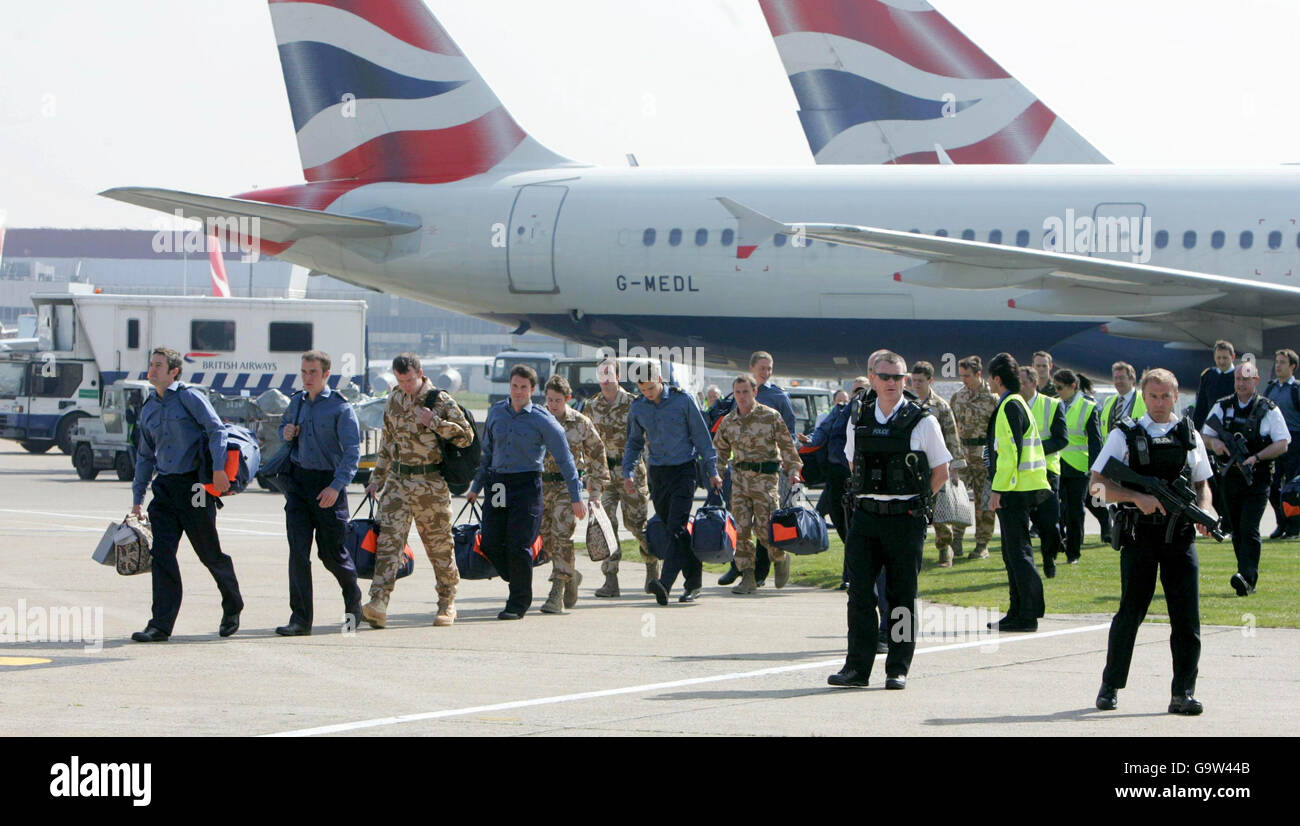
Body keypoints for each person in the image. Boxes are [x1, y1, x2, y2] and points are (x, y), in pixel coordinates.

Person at [1091, 368, 1212, 715]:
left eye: (1166, 396)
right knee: (1131, 612)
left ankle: (1183, 692)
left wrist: (1205, 510)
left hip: (1181, 537)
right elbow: (1096, 488)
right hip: (1140, 535)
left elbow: (1203, 483)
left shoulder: (1190, 434)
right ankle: (1110, 685)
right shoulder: (1125, 433)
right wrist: (1134, 497)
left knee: (1187, 617)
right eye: (1153, 396)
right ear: (1144, 397)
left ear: (1177, 396)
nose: (1160, 403)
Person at [829, 351, 950, 689]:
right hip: (866, 518)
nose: (893, 383)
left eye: (899, 378)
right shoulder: (860, 416)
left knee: (902, 596)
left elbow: (941, 471)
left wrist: (917, 500)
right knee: (860, 596)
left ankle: (897, 668)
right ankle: (857, 668)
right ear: (873, 376)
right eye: (886, 377)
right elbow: (853, 463)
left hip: (904, 519)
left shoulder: (923, 420)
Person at [128, 347, 242, 642]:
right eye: (151, 364)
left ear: (174, 371)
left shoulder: (190, 397)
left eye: (158, 365)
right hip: (165, 488)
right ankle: (160, 625)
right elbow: (144, 455)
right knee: (162, 555)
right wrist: (138, 499)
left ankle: (232, 604)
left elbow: (217, 430)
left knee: (208, 553)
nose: (151, 370)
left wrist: (219, 469)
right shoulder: (149, 407)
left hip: (195, 487)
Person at [362, 353, 475, 628]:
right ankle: (378, 602)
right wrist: (377, 479)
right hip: (399, 482)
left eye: (410, 380)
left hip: (430, 484)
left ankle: (447, 602)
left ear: (420, 374)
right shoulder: (394, 400)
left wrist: (435, 422)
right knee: (389, 544)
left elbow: (466, 435)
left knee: (439, 547)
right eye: (401, 381)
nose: (406, 385)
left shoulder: (439, 400)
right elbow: (389, 444)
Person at [468, 365, 584, 620]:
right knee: (489, 541)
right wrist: (476, 487)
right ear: (509, 387)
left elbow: (565, 459)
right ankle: (520, 577)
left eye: (524, 387)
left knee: (519, 544)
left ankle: (518, 602)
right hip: (498, 484)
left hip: (526, 485)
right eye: (514, 386)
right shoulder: (497, 412)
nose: (518, 392)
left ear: (533, 390)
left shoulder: (542, 419)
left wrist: (576, 495)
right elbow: (487, 454)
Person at [275, 350, 363, 636]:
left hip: (328, 485)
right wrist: (286, 432)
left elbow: (352, 452)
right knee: (298, 553)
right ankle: (300, 619)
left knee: (331, 554)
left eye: (312, 372)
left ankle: (353, 600)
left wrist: (336, 487)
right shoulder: (297, 402)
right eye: (303, 372)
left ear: (326, 374)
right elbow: (282, 429)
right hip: (299, 484)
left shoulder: (340, 408)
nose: (307, 378)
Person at [624, 360, 720, 605]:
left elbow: (701, 437)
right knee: (673, 530)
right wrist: (628, 471)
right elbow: (634, 442)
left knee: (676, 527)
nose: (648, 394)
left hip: (683, 471)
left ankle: (664, 583)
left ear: (659, 379)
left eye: (651, 388)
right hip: (658, 473)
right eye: (643, 390)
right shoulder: (638, 408)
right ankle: (694, 582)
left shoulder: (682, 400)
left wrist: (712, 470)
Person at [1202, 359, 1289, 596]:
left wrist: (1257, 457)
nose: (1240, 383)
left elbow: (1282, 443)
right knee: (1237, 529)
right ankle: (1244, 574)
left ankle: (1247, 577)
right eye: (1238, 379)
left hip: (1257, 478)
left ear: (1256, 381)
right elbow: (1204, 436)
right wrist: (1215, 443)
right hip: (1228, 478)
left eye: (1246, 379)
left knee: (1249, 527)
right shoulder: (1222, 407)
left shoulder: (1268, 409)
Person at [712, 374, 802, 594]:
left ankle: (779, 558)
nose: (742, 397)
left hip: (765, 480)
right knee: (741, 530)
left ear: (755, 392)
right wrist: (716, 473)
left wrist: (793, 471)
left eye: (745, 392)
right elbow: (720, 452)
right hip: (740, 481)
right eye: (738, 392)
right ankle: (748, 576)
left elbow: (787, 446)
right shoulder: (729, 421)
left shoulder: (770, 417)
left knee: (765, 530)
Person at [984, 353, 1049, 633]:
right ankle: (1017, 610)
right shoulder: (1017, 402)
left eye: (990, 378)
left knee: (1018, 552)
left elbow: (1009, 453)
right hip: (1019, 488)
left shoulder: (1009, 405)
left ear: (997, 379)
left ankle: (1028, 612)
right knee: (1012, 553)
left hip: (1013, 489)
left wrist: (998, 489)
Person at [537, 375, 610, 614]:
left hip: (568, 489)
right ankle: (571, 574)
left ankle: (556, 591)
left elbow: (598, 454)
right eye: (549, 399)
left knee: (561, 536)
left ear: (567, 399)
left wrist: (595, 492)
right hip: (541, 488)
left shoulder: (580, 423)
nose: (553, 405)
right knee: (545, 538)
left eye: (557, 400)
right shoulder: (539, 419)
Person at [585, 359, 654, 597]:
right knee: (605, 526)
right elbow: (585, 442)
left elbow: (648, 436)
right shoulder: (591, 406)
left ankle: (652, 565)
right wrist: (587, 473)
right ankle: (610, 578)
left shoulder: (635, 404)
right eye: (601, 375)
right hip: (603, 475)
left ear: (618, 375)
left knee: (636, 524)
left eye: (609, 374)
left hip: (631, 474)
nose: (605, 379)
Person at [909, 361, 964, 566]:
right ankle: (915, 549)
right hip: (912, 466)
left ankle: (945, 548)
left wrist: (955, 467)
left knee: (940, 511)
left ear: (930, 380)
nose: (916, 385)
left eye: (920, 381)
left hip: (935, 466)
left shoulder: (940, 406)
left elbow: (952, 436)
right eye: (913, 380)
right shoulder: (906, 403)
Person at [1019, 365, 1067, 578]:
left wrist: (1034, 450)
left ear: (1033, 383)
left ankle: (1049, 557)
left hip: (1046, 473)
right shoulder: (1011, 405)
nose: (1018, 387)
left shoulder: (1053, 405)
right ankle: (1026, 565)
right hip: (1019, 474)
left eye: (1022, 382)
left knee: (1049, 523)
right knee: (1022, 523)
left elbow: (1061, 439)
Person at [949, 355, 999, 559]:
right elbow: (951, 428)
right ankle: (956, 540)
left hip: (984, 455)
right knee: (958, 500)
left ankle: (982, 544)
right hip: (962, 455)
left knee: (984, 502)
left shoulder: (992, 399)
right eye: (961, 376)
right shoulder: (958, 397)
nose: (964, 380)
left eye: (967, 376)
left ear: (979, 374)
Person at [1054, 369, 1103, 564]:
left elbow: (1095, 441)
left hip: (1078, 468)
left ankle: (1073, 553)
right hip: (1055, 465)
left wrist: (1095, 469)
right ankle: (1057, 543)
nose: (1057, 391)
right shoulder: (1053, 404)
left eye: (1060, 388)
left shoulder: (1088, 406)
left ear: (1073, 386)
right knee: (1053, 511)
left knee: (1075, 512)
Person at [1263, 348, 1300, 539]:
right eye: (1276, 362)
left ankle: (1294, 527)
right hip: (1274, 443)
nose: (1278, 366)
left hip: (1295, 443)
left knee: (1293, 488)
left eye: (1282, 362)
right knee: (1273, 485)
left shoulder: (1296, 389)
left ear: (1293, 366)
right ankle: (1281, 522)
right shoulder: (1270, 389)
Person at [1192, 340, 1237, 429]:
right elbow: (1201, 407)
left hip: (1232, 427)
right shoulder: (1208, 376)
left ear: (1233, 357)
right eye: (1218, 358)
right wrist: (1195, 430)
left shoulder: (1239, 376)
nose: (1221, 361)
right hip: (1210, 427)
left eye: (1225, 358)